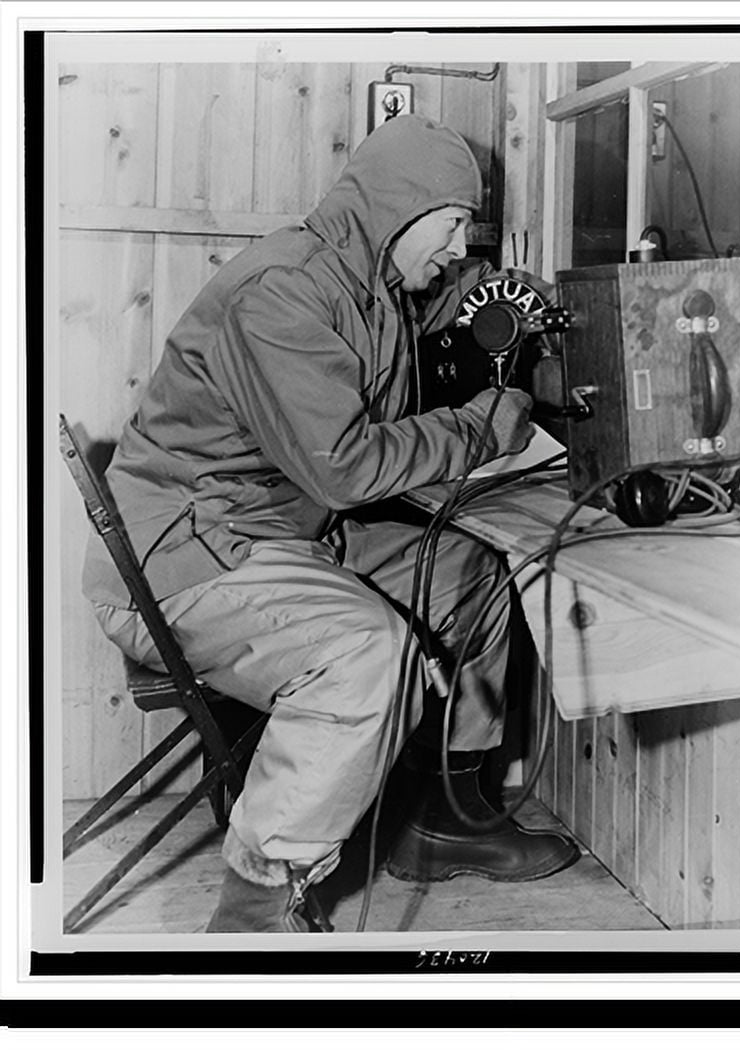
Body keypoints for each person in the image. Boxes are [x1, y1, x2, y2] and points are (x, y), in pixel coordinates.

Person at [82, 114, 579, 933]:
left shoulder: (369, 284)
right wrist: (485, 427)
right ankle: (256, 909)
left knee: (472, 577)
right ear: (401, 209)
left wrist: (505, 299)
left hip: (268, 527)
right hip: (185, 556)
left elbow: (430, 309)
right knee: (366, 651)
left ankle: (441, 818)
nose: (459, 245)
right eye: (454, 224)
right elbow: (343, 467)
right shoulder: (281, 292)